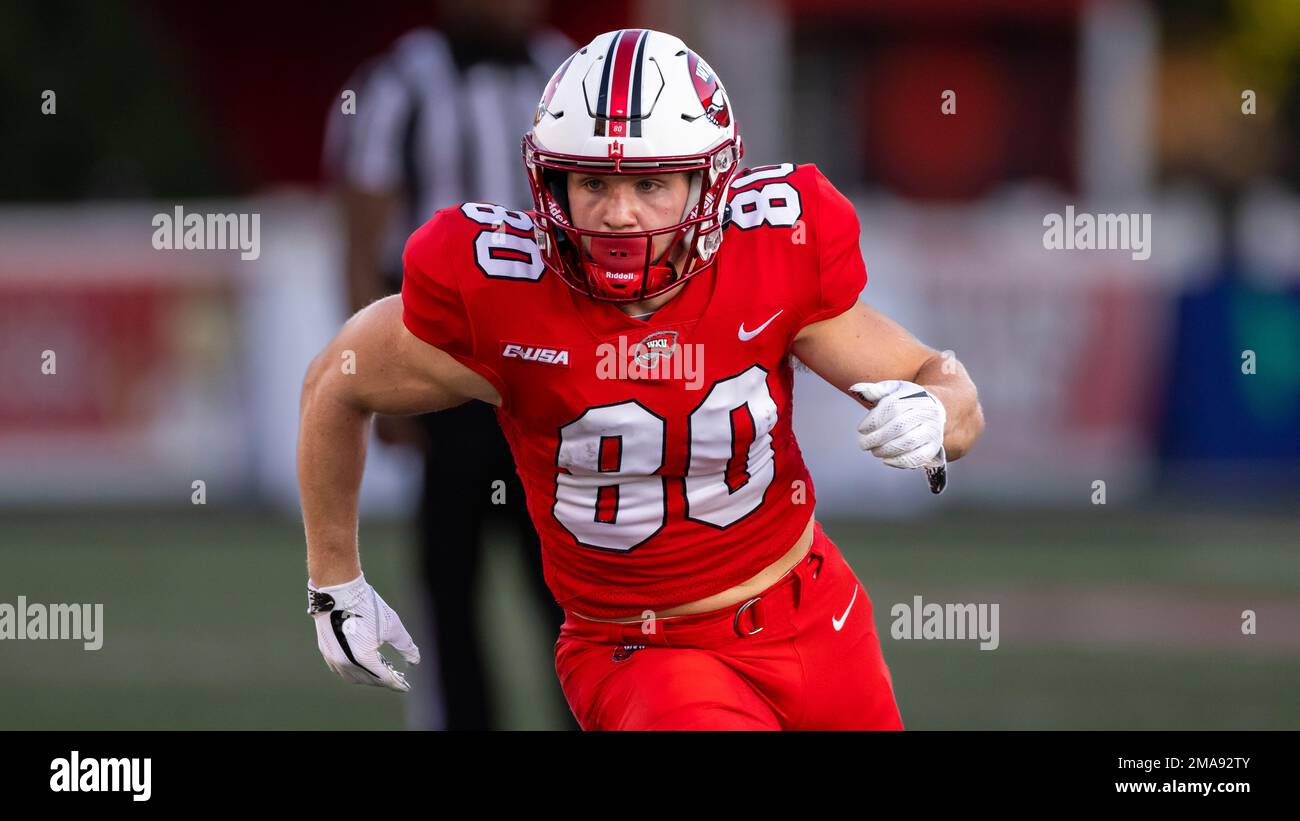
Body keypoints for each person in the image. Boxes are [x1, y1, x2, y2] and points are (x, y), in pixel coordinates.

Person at [300, 28, 985, 729]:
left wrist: (937, 411)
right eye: (593, 181)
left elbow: (939, 379)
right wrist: (334, 581)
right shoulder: (501, 293)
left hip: (812, 613)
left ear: (707, 184)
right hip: (643, 651)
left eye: (650, 183)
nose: (618, 213)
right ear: (552, 181)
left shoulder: (772, 250)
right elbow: (337, 381)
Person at [321, 2, 574, 729]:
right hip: (444, 371)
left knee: (573, 582)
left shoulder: (570, 71)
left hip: (556, 375)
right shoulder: (397, 85)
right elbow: (360, 243)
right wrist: (371, 382)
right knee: (450, 581)